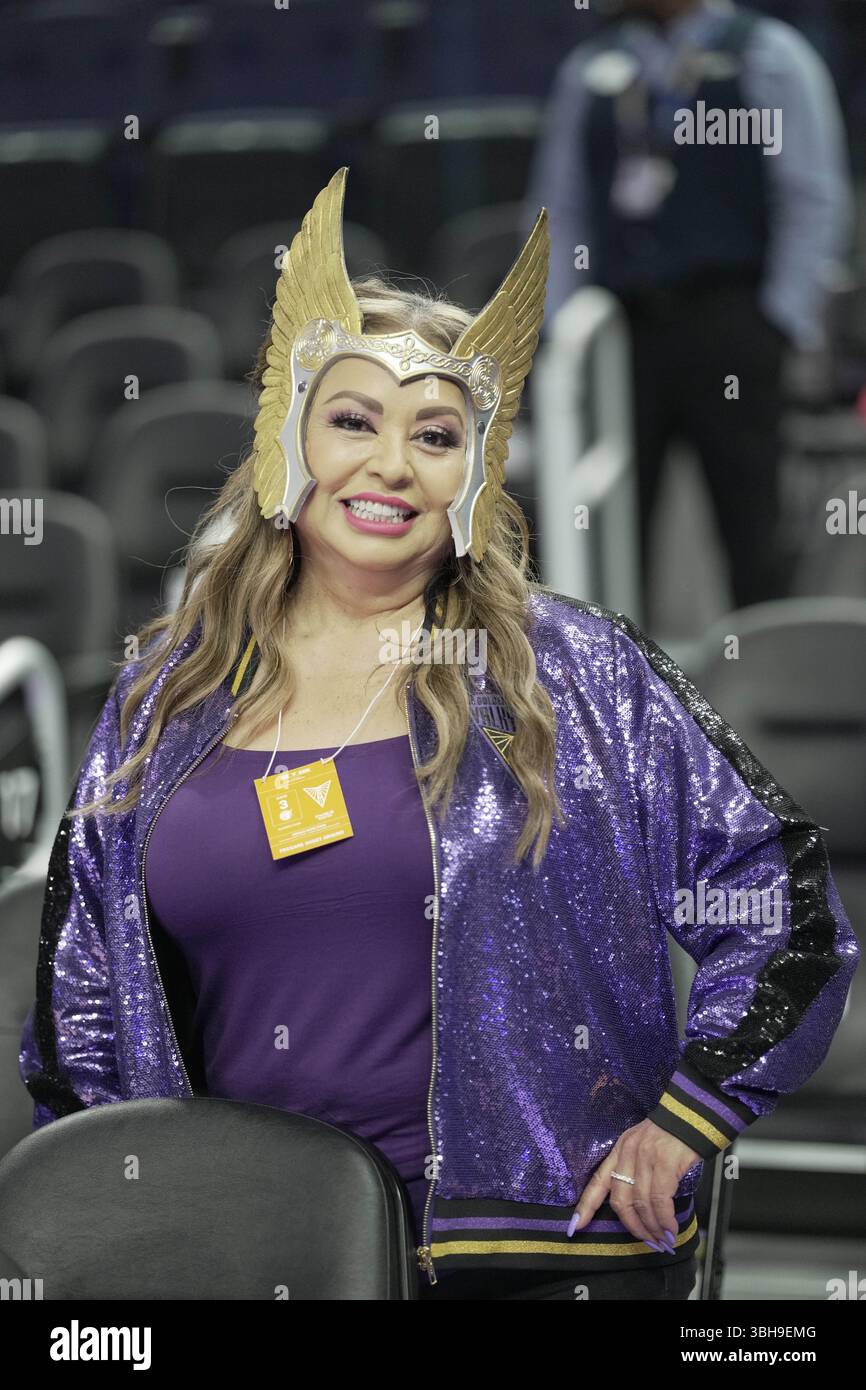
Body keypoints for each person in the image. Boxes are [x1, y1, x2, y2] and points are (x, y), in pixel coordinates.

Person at [19, 168, 859, 1302]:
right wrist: (110, 1217)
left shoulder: (575, 669)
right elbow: (81, 1002)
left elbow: (784, 901)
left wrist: (685, 1118)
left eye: (435, 434)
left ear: (475, 470)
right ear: (288, 435)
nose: (389, 465)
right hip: (240, 1251)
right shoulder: (166, 688)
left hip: (529, 1253)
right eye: (353, 419)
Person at [526, 0, 852, 610]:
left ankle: (762, 684)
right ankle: (615, 687)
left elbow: (812, 195)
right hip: (621, 330)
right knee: (611, 530)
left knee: (753, 525)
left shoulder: (766, 54)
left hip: (731, 319)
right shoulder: (592, 65)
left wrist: (782, 323)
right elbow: (559, 205)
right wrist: (555, 330)